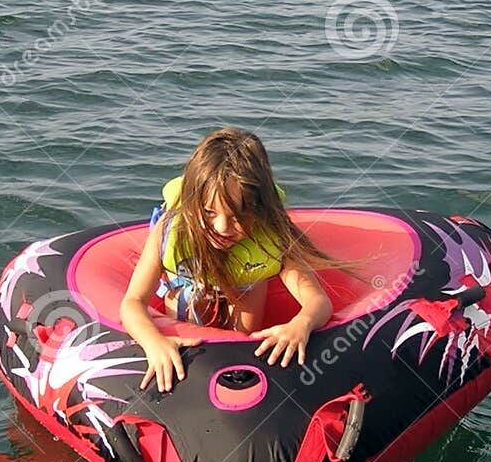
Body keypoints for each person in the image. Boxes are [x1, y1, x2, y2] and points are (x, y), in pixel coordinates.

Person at [119, 127, 335, 392]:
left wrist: (300, 325)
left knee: (241, 341)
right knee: (183, 320)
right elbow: (132, 302)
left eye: (237, 216)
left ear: (259, 209)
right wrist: (153, 342)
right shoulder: (170, 230)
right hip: (189, 280)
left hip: (245, 284)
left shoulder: (272, 238)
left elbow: (318, 301)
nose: (222, 227)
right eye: (209, 212)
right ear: (191, 203)